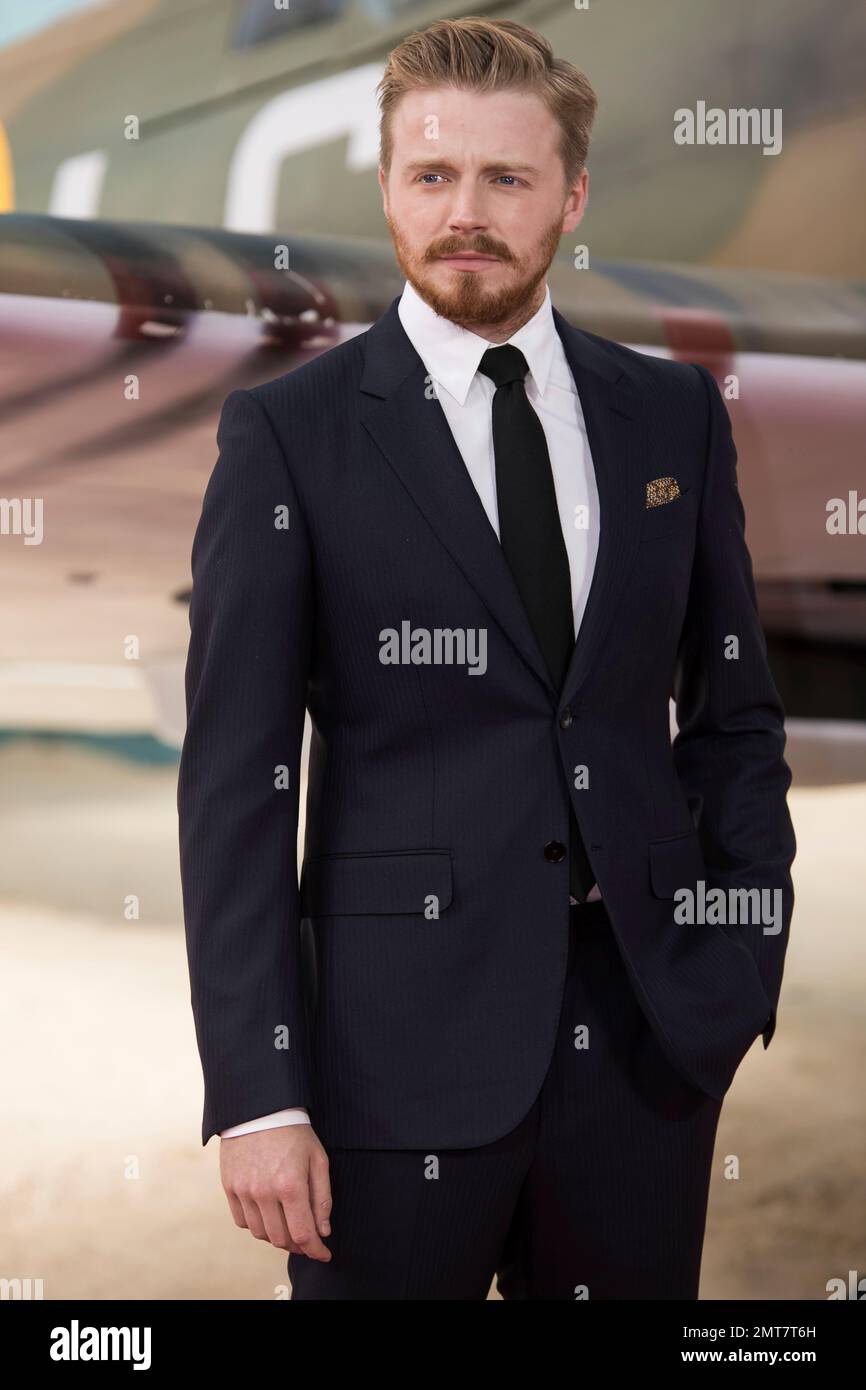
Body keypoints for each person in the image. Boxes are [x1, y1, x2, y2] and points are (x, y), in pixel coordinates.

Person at [178, 16, 796, 1299]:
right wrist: (255, 1093)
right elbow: (239, 780)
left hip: (642, 1062)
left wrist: (735, 973)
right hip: (384, 1071)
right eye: (432, 176)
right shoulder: (286, 438)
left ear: (569, 196)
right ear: (392, 191)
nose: (467, 213)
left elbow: (733, 719)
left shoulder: (669, 413)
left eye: (505, 179)